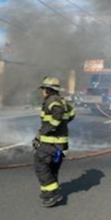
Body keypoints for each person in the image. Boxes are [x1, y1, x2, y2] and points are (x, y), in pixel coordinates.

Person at [33, 76, 75, 207]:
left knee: (41, 166)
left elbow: (57, 115)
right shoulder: (62, 101)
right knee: (52, 168)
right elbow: (71, 113)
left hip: (50, 143)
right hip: (61, 144)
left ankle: (52, 195)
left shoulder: (52, 101)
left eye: (44, 89)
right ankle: (48, 192)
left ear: (48, 90)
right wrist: (63, 124)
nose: (42, 92)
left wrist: (44, 131)